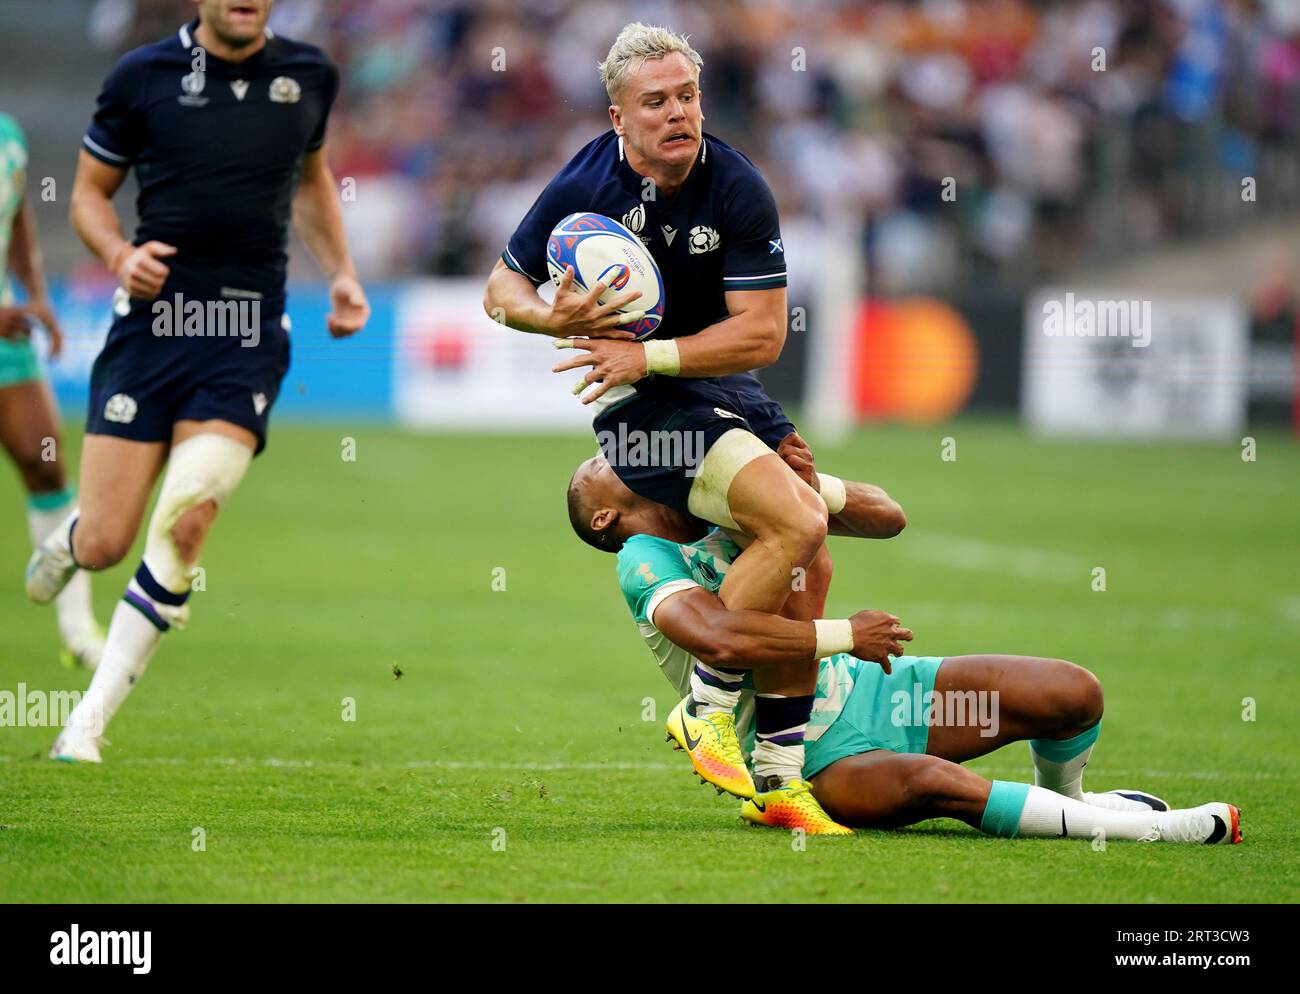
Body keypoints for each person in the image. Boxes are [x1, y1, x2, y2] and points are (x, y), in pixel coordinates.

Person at [485, 22, 836, 820]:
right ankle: (706, 705)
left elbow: (764, 332)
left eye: (688, 96)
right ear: (618, 118)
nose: (679, 113)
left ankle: (781, 780)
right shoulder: (582, 185)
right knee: (795, 520)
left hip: (714, 380)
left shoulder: (738, 185)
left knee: (806, 561)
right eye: (656, 102)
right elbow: (498, 292)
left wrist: (653, 355)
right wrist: (551, 315)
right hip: (637, 407)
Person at [565, 450, 1243, 845]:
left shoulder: (726, 498)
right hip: (812, 754)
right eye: (602, 462)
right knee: (934, 786)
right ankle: (1150, 830)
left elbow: (888, 516)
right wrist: (846, 636)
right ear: (604, 516)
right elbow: (719, 636)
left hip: (879, 692)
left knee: (1073, 694)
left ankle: (1076, 799)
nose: (621, 452)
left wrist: (808, 484)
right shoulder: (641, 557)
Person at [25, 0, 369, 763]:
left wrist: (341, 275)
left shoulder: (310, 75)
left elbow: (312, 181)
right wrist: (119, 257)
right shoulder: (140, 77)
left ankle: (85, 724)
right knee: (109, 541)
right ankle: (72, 541)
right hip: (149, 335)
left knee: (185, 523)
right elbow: (86, 195)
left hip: (245, 339)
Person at [0, 112, 104, 670]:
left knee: (46, 464)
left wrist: (36, 294)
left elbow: (16, 218)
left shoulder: (8, 136)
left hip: (6, 336)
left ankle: (77, 630)